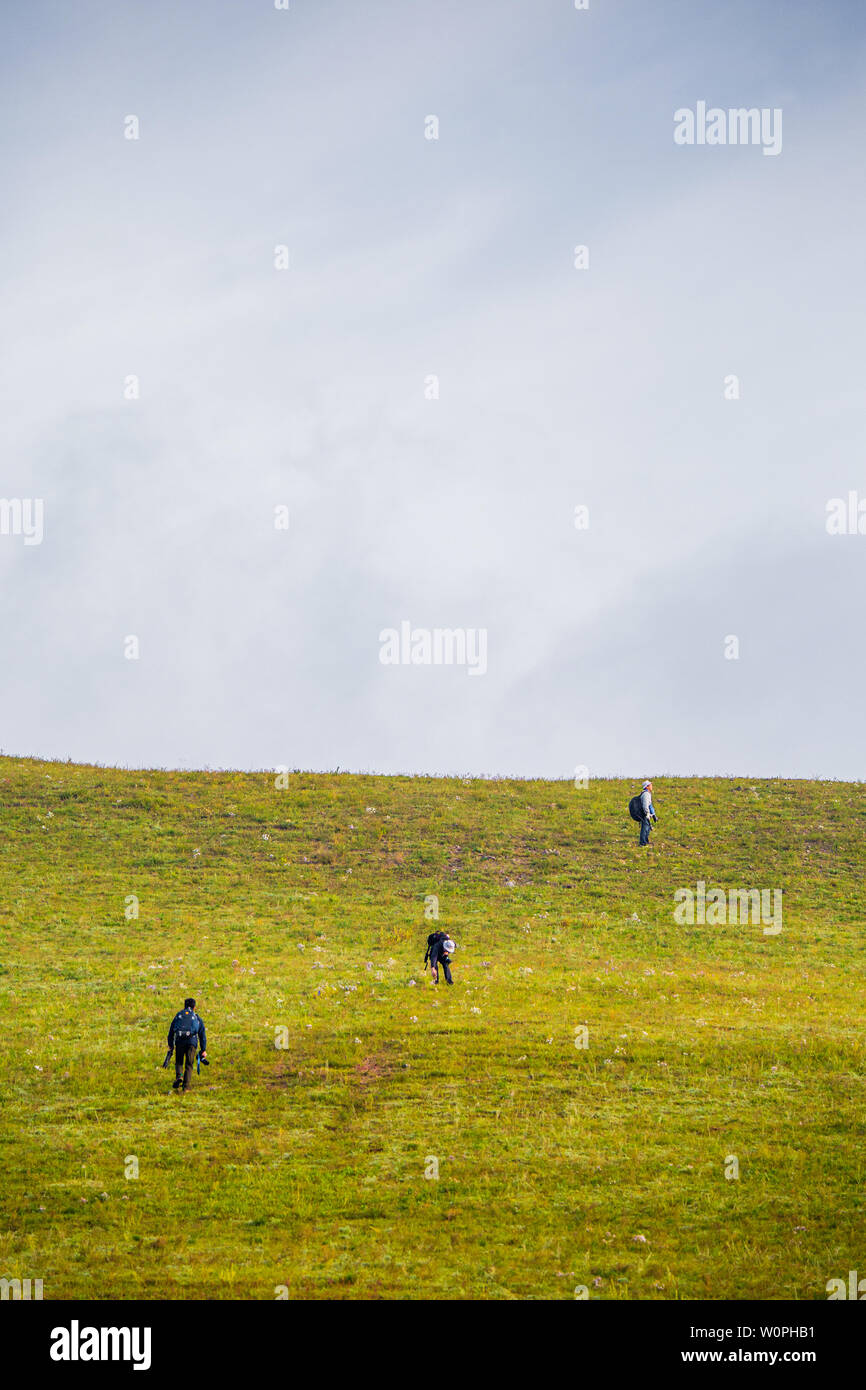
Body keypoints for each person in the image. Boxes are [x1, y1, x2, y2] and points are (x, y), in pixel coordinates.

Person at [167, 998, 207, 1092]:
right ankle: (186, 1087)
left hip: (179, 1041)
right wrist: (203, 1049)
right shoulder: (196, 1017)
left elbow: (171, 1031)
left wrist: (170, 1045)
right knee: (189, 1064)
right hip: (191, 1043)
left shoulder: (179, 1016)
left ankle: (179, 1076)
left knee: (179, 1062)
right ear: (194, 1007)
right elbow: (202, 1034)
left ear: (184, 1005)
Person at [638, 780, 658, 847]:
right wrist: (647, 814)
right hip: (644, 814)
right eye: (650, 785)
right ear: (647, 787)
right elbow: (645, 805)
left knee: (647, 828)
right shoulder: (646, 794)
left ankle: (645, 841)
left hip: (646, 814)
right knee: (645, 828)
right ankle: (642, 843)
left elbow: (650, 805)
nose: (651, 786)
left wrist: (654, 815)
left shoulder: (647, 794)